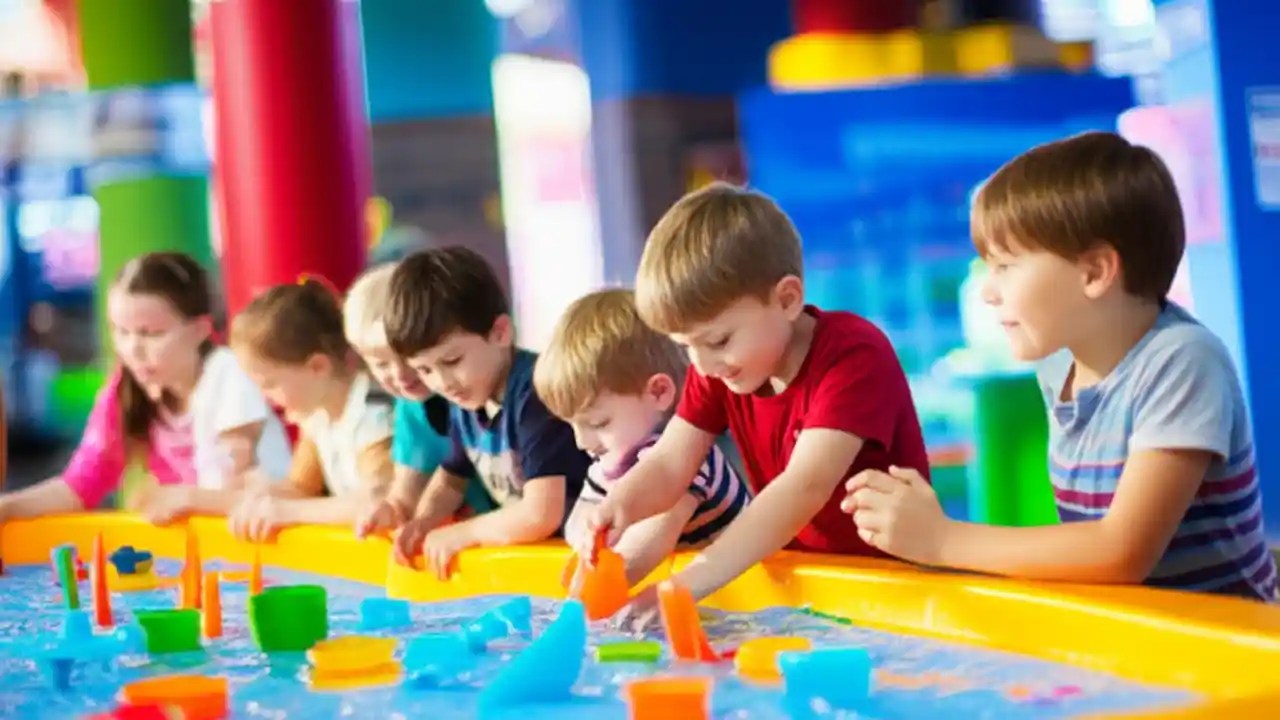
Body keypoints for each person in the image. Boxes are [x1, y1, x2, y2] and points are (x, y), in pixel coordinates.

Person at [843, 131, 1277, 602]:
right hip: (1142, 633)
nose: (989, 291)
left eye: (1005, 266)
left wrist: (943, 539)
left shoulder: (1182, 362)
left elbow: (1121, 552)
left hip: (1231, 645)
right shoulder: (1060, 366)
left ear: (1094, 273)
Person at [584, 182, 929, 625]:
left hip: (897, 587)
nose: (703, 365)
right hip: (808, 583)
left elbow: (802, 487)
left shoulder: (853, 355)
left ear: (786, 300)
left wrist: (687, 585)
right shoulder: (722, 368)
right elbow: (671, 463)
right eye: (686, 347)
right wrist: (621, 506)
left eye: (718, 340)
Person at [0, 252, 291, 524]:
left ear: (200, 330)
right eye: (121, 331)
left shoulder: (228, 378)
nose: (133, 349)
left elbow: (245, 496)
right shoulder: (126, 389)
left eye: (151, 333)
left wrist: (183, 497)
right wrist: (8, 507)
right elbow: (79, 486)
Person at [382, 246, 589, 580]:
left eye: (452, 361)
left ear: (500, 333)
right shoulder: (467, 398)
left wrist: (462, 535)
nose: (442, 382)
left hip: (583, 554)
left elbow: (541, 514)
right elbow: (450, 481)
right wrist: (422, 523)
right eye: (425, 370)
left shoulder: (536, 395)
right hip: (545, 559)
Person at [533, 289, 750, 586]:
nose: (582, 442)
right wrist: (588, 538)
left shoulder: (689, 455)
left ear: (658, 392)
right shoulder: (610, 462)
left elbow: (653, 537)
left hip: (748, 586)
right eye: (572, 425)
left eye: (598, 422)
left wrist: (592, 595)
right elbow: (579, 517)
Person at [227, 279, 395, 540]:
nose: (265, 397)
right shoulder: (318, 415)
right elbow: (298, 488)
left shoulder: (372, 412)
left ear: (317, 367)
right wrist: (250, 498)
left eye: (269, 384)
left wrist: (288, 512)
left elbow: (375, 500)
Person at [339, 263, 493, 538]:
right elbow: (404, 495)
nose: (400, 374)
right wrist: (387, 510)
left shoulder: (478, 391)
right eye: (381, 364)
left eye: (408, 357)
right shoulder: (412, 410)